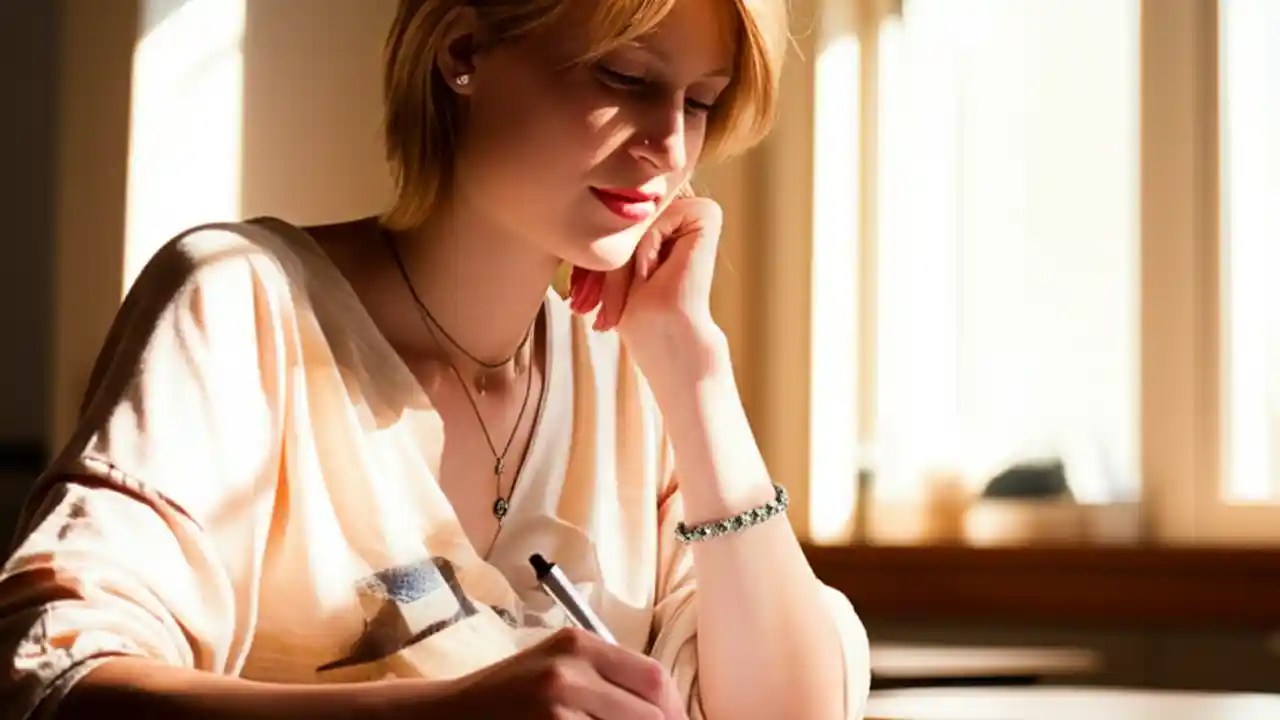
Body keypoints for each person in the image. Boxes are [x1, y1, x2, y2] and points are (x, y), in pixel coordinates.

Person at [0, 0, 871, 718]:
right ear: (464, 51)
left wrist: (695, 369)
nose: (670, 148)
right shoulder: (238, 303)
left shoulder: (633, 379)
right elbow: (53, 680)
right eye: (626, 78)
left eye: (698, 102)